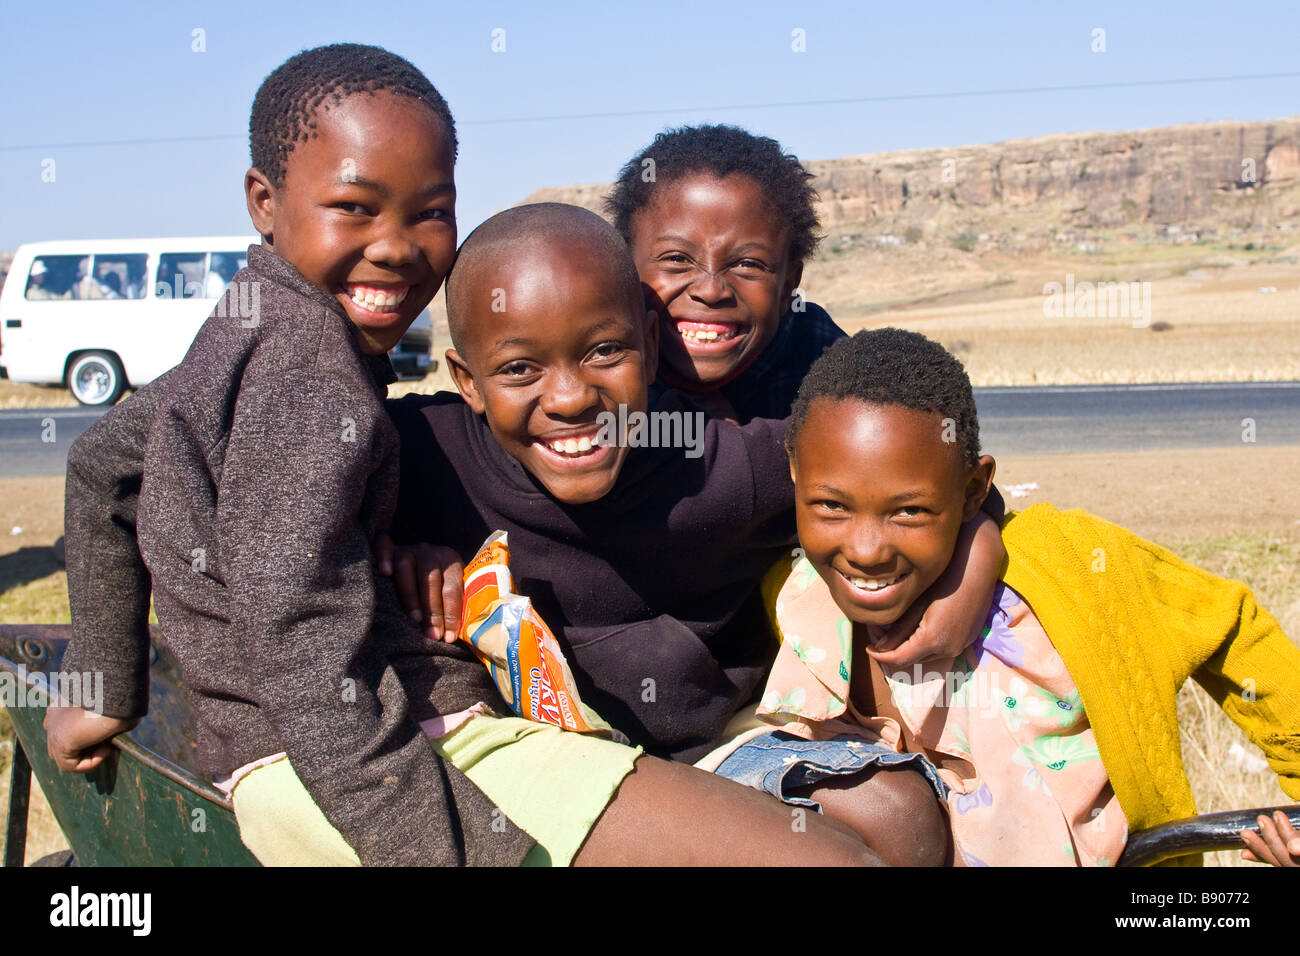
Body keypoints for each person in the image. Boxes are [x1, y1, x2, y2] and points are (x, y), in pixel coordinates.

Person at [44, 45, 899, 868]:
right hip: (381, 753)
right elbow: (299, 638)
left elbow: (101, 466)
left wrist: (102, 684)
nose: (394, 245)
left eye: (428, 212)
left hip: (361, 731)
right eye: (354, 208)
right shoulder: (313, 373)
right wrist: (439, 846)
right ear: (264, 203)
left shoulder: (245, 326)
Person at [385, 202, 1012, 863]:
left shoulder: (718, 466)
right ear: (467, 381)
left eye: (604, 351)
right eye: (519, 369)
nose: (570, 397)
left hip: (715, 753)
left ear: (652, 346)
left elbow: (930, 481)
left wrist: (975, 570)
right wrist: (401, 551)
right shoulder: (423, 457)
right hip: (550, 775)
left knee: (897, 810)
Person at [722, 327, 1300, 866]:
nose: (868, 549)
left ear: (974, 490)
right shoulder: (798, 596)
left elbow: (1232, 627)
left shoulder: (1076, 570)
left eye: (910, 511)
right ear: (795, 475)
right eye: (832, 506)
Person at [605, 124, 845, 423]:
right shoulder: (597, 363)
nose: (710, 291)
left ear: (788, 287)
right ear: (625, 268)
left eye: (747, 264)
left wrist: (739, 447)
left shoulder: (825, 366)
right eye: (677, 258)